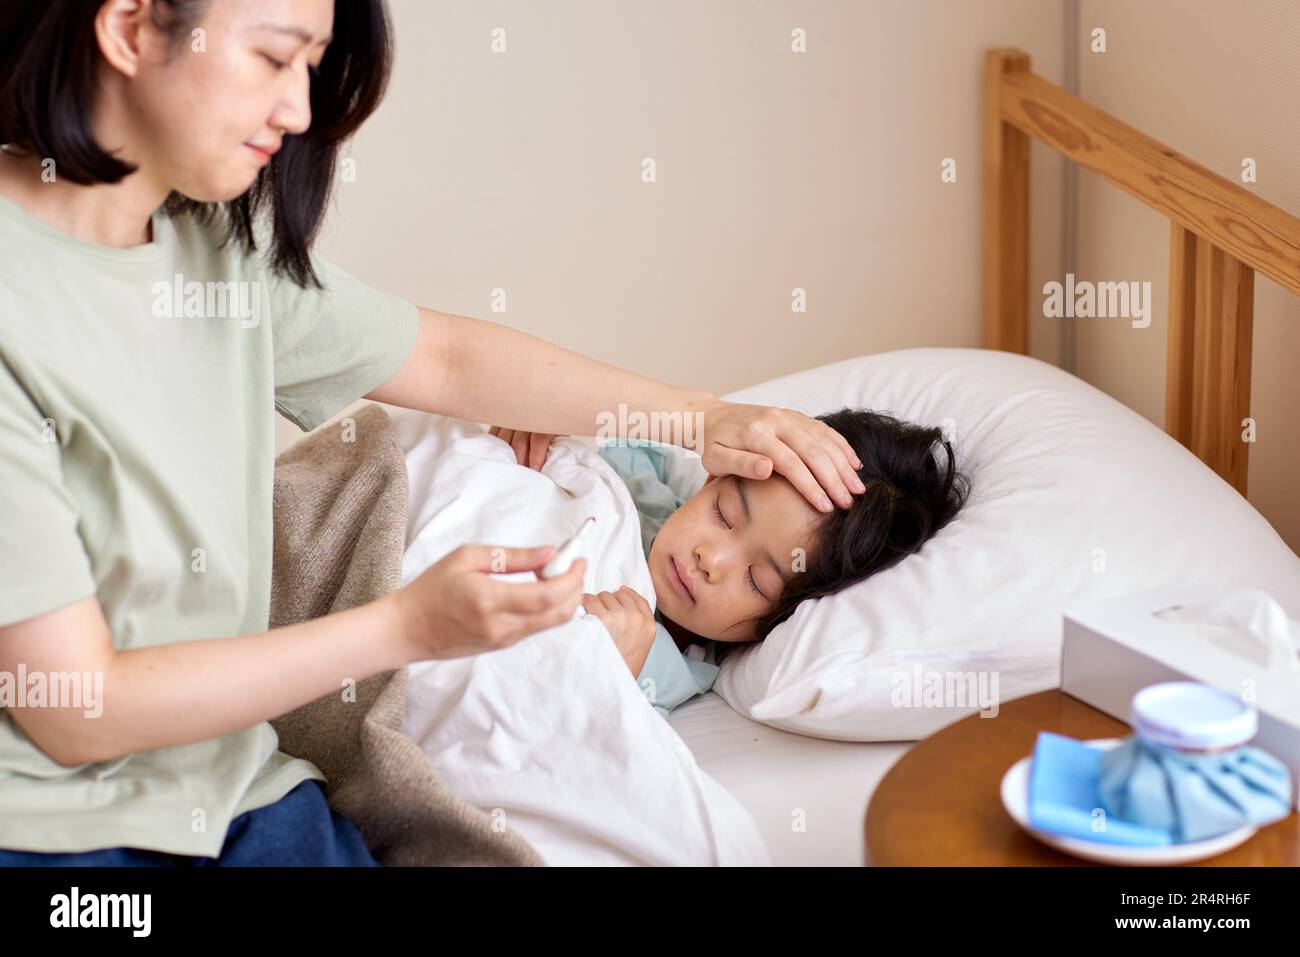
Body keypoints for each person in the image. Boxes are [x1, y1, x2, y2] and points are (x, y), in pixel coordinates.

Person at [0, 0, 866, 865]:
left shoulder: (214, 246)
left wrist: (703, 416)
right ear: (128, 27)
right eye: (274, 58)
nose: (300, 112)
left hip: (239, 790)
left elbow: (447, 359)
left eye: (312, 65)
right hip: (49, 828)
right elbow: (79, 709)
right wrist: (408, 628)